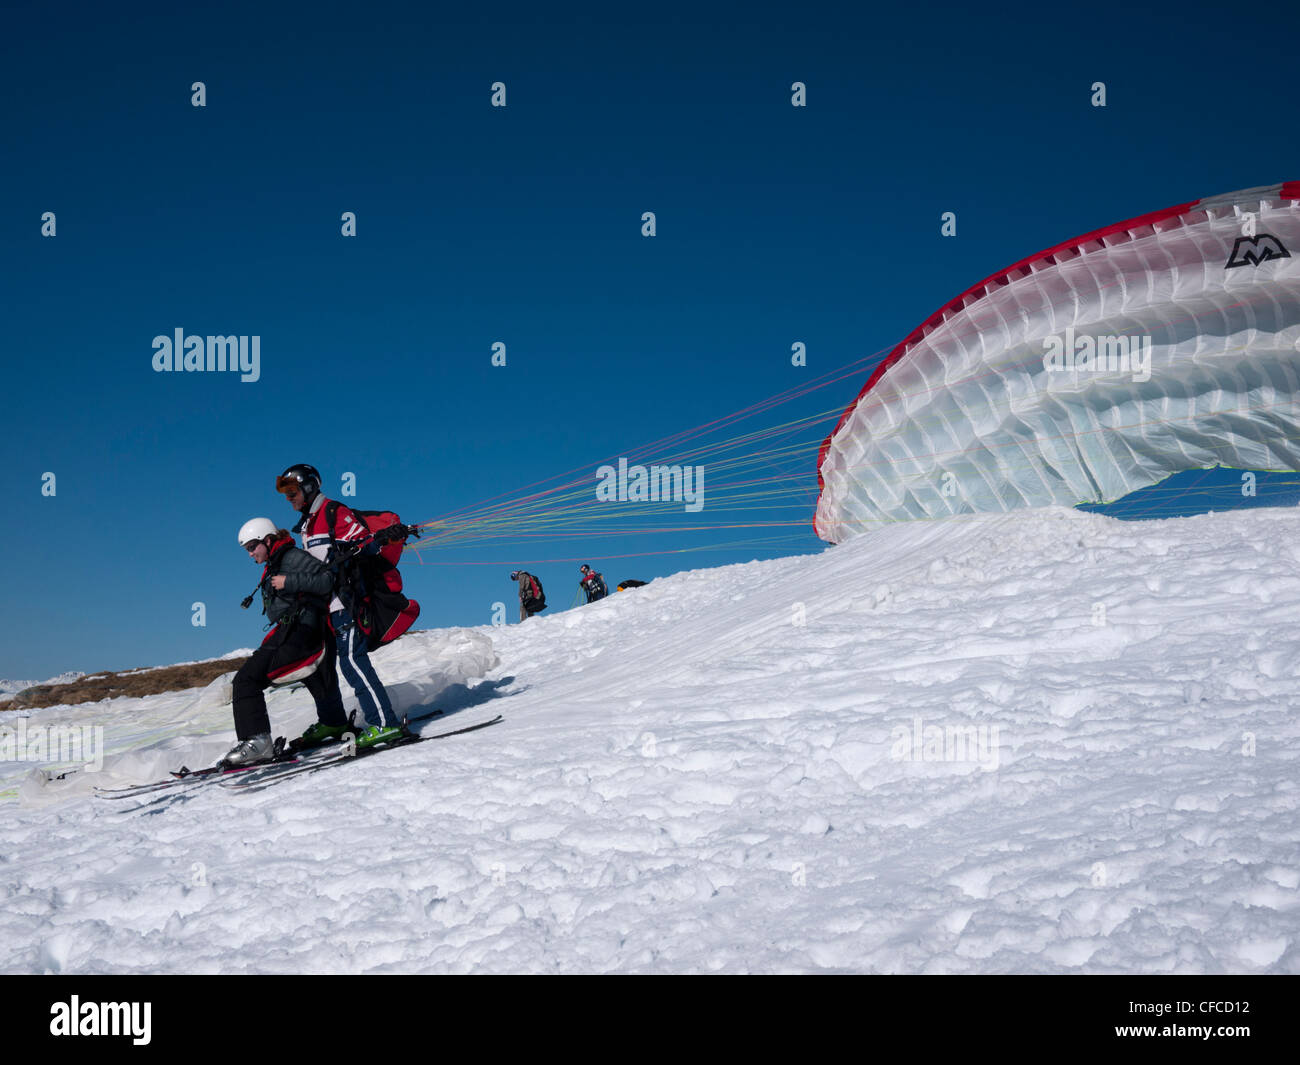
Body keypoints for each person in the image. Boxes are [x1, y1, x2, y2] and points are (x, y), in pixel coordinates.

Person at [277, 463, 402, 750]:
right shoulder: (307, 524)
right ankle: (332, 720)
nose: (289, 498)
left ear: (309, 487)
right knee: (322, 668)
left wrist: (368, 544)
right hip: (327, 610)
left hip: (346, 604)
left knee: (353, 662)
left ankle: (386, 723)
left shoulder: (334, 512)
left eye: (292, 491)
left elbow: (365, 542)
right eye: (286, 494)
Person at [225, 518, 349, 767]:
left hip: (303, 631)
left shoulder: (291, 557)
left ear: (268, 540)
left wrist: (289, 582)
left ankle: (258, 741)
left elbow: (327, 580)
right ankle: (334, 722)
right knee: (317, 675)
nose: (250, 554)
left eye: (252, 547)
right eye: (247, 549)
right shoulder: (278, 560)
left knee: (247, 679)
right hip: (302, 630)